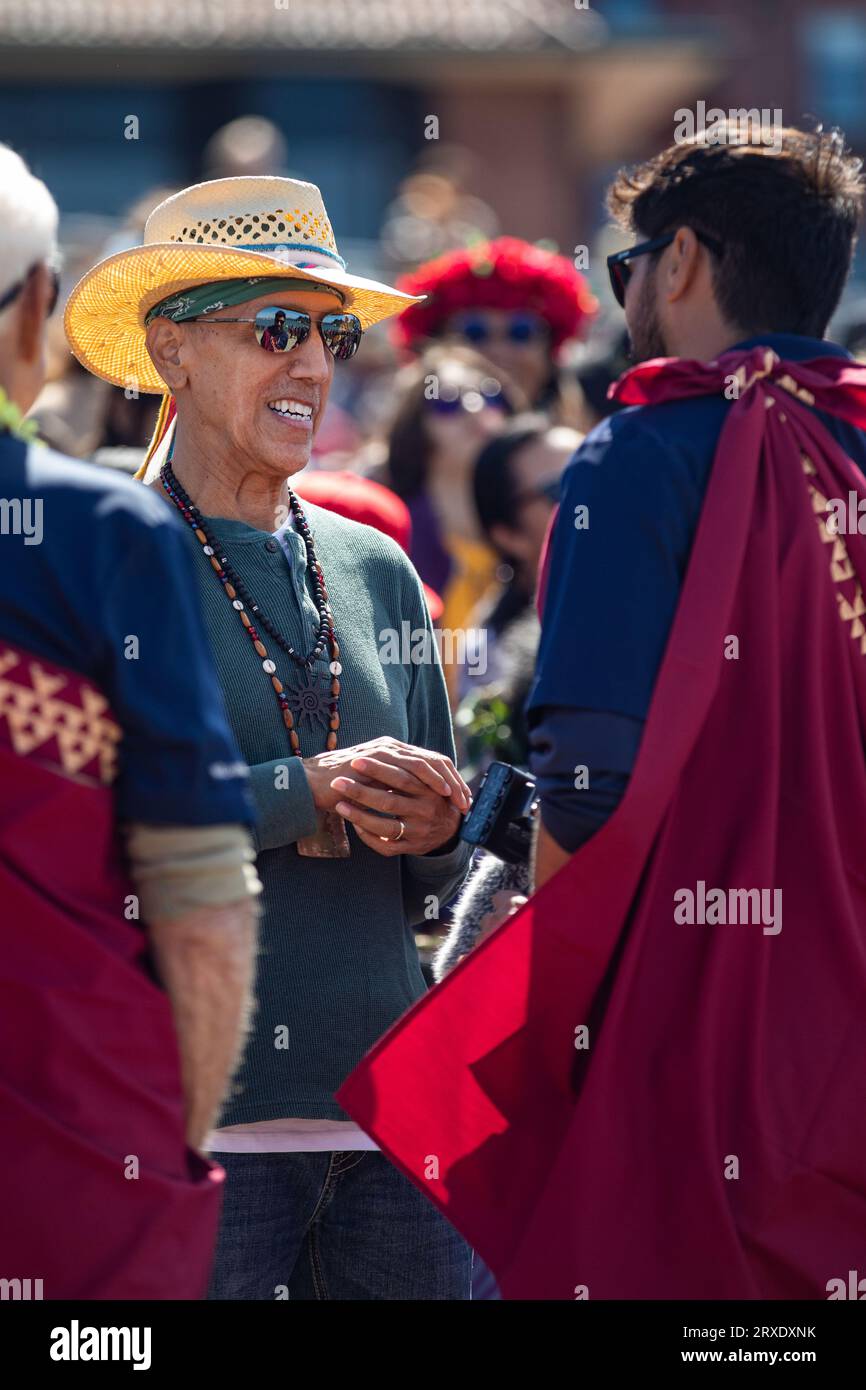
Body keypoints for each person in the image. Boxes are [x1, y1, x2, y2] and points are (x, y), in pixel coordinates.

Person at [338, 124, 866, 1300]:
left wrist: (563, 1033)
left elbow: (588, 771)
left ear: (676, 262)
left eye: (625, 265)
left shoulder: (636, 452)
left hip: (693, 1004)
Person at [65, 173, 474, 1301]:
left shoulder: (376, 566)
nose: (311, 365)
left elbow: (441, 874)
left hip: (389, 1118)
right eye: (275, 329)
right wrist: (303, 789)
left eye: (329, 334)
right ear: (173, 353)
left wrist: (438, 824)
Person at [0, 145, 260, 1299]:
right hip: (74, 1157)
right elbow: (202, 901)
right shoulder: (100, 532)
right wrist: (177, 1149)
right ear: (36, 311)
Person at [375, 344, 521, 699]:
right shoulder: (387, 529)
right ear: (417, 424)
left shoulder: (532, 520)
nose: (475, 409)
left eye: (489, 395)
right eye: (447, 401)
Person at [392, 236, 597, 422]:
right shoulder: (391, 462)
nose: (499, 351)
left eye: (521, 332)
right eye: (474, 333)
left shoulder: (584, 457)